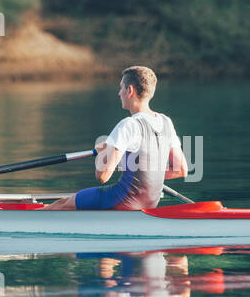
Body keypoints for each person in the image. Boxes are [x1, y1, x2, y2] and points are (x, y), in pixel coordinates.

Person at [45, 66, 188, 210]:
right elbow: (180, 169)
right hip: (149, 203)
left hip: (122, 200)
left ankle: (32, 219)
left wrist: (103, 154)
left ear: (130, 90)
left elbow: (102, 176)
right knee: (70, 201)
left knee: (62, 204)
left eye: (121, 88)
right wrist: (146, 175)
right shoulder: (166, 122)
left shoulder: (128, 125)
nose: (119, 93)